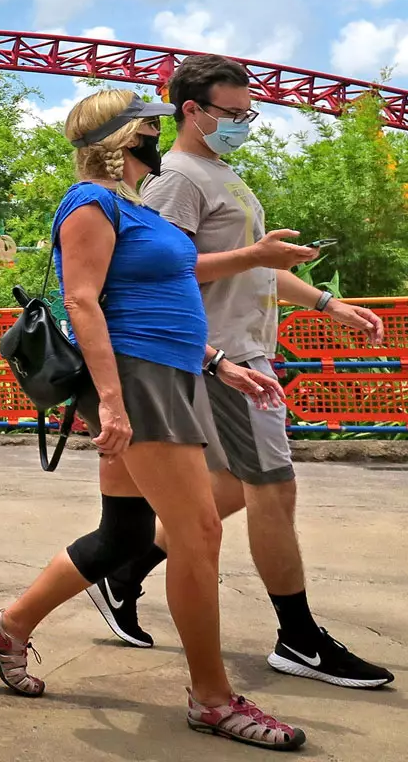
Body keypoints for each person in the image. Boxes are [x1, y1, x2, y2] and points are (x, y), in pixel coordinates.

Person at [0, 91, 306, 750]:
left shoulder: (132, 206)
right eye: (149, 126)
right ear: (120, 138)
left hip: (167, 372)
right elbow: (84, 301)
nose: (158, 134)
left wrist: (218, 364)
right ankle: (211, 698)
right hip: (137, 380)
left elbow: (166, 290)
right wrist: (113, 403)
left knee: (124, 533)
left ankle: (8, 625)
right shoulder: (89, 203)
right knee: (198, 529)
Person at [89, 55, 395, 688]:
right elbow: (158, 270)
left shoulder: (219, 172)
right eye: (232, 113)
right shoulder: (176, 178)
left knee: (225, 491)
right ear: (190, 111)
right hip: (218, 357)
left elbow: (251, 265)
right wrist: (249, 272)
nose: (243, 122)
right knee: (273, 489)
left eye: (247, 112)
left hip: (242, 354)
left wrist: (326, 302)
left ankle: (127, 569)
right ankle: (298, 639)